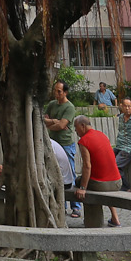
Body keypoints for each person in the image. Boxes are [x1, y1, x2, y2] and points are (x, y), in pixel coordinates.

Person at [72, 115, 121, 227]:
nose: (75, 130)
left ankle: (93, 222)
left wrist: (82, 188)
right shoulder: (102, 135)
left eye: (76, 127)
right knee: (98, 184)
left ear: (82, 126)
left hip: (102, 184)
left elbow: (87, 166)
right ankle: (115, 218)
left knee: (79, 182)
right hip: (117, 182)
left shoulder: (84, 141)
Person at [43, 81, 79, 213]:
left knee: (70, 173)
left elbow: (62, 125)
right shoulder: (52, 104)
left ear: (65, 92)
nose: (56, 93)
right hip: (52, 143)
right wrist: (54, 121)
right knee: (55, 174)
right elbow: (43, 120)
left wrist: (52, 125)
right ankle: (61, 206)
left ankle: (76, 206)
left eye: (59, 91)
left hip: (65, 144)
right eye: (55, 90)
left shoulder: (69, 107)